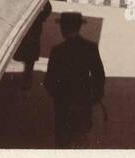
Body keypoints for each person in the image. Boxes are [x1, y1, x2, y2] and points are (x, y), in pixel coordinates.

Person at [43, 11, 105, 148]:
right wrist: (95, 95)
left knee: (63, 140)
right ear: (79, 27)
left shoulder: (57, 51)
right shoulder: (90, 47)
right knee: (82, 137)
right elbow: (99, 75)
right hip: (84, 100)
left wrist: (56, 94)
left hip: (63, 102)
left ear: (63, 28)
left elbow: (49, 81)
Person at [15, 1, 52, 91]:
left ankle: (27, 82)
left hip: (31, 37)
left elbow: (47, 9)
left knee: (29, 61)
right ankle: (27, 81)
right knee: (29, 61)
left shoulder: (37, 16)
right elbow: (47, 9)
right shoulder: (38, 16)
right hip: (29, 37)